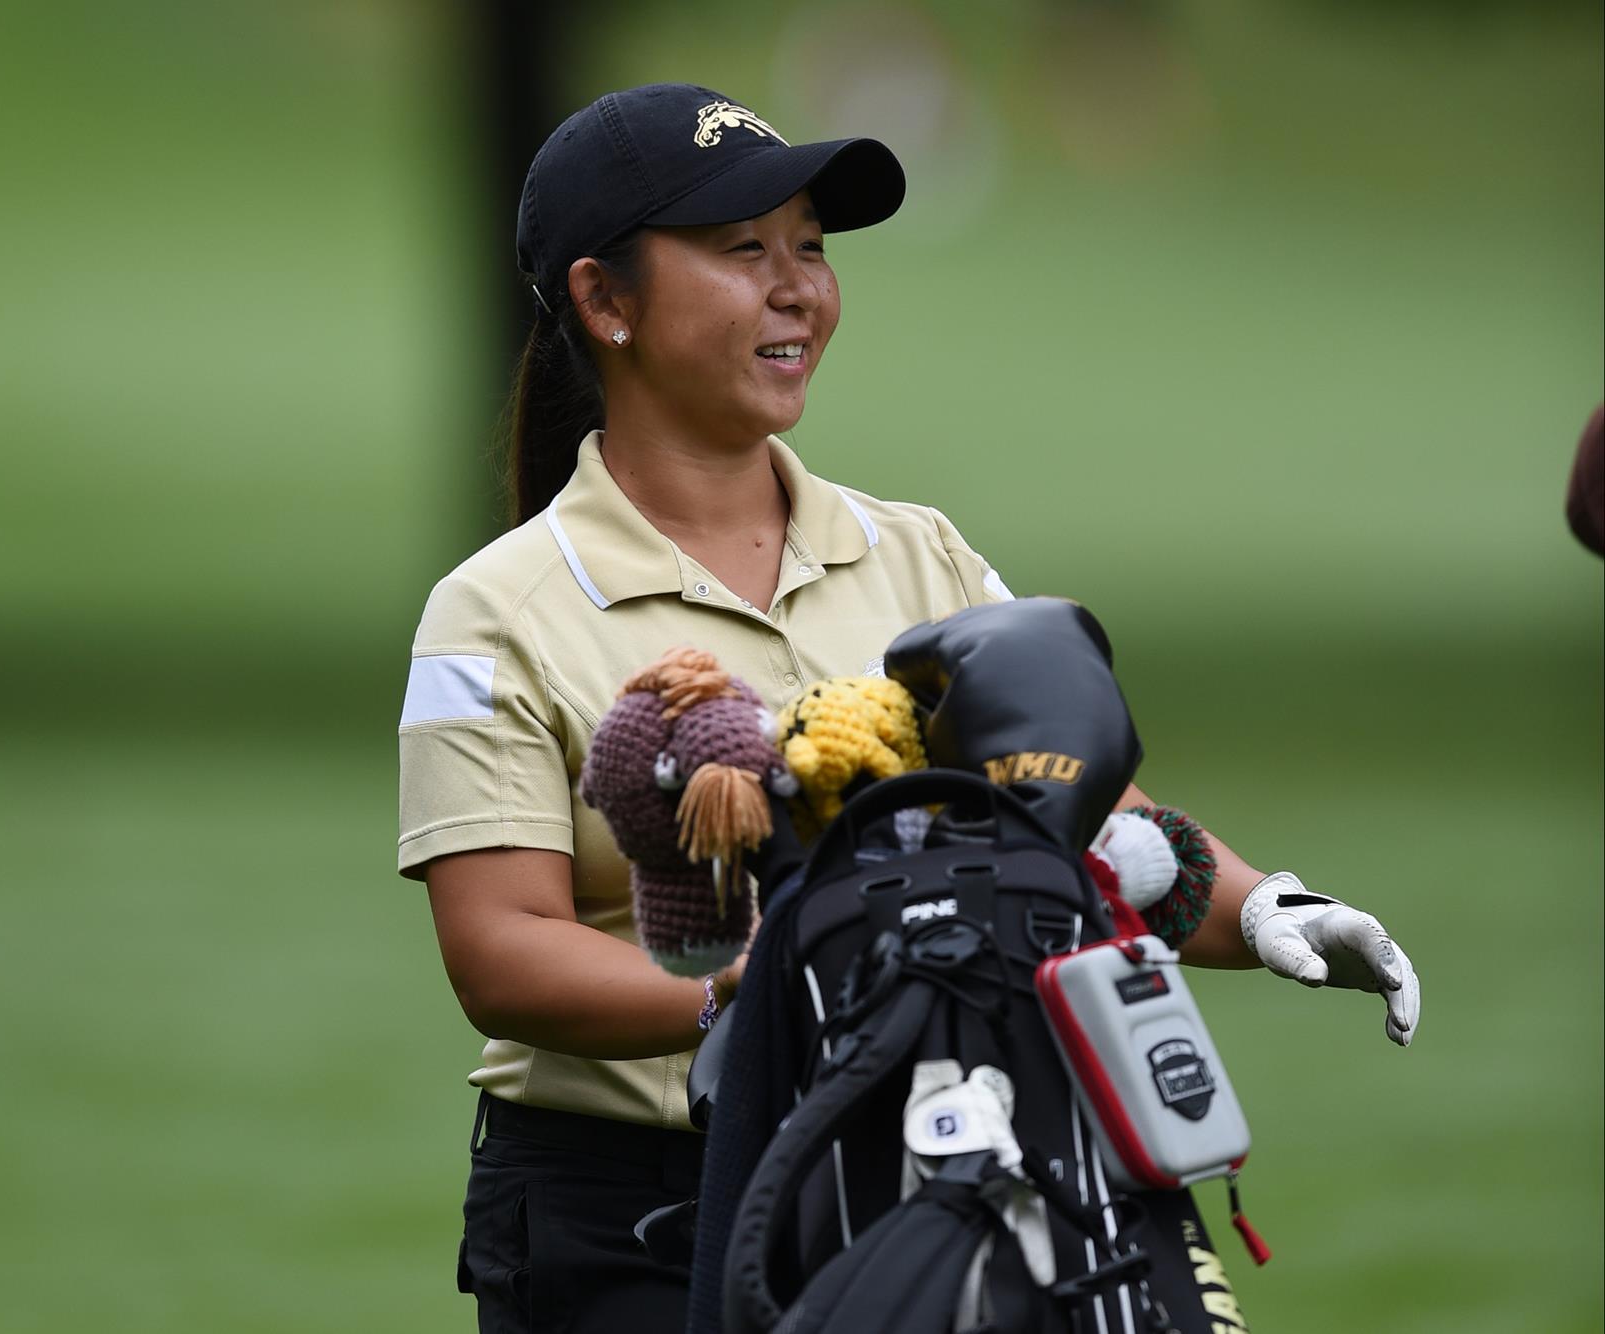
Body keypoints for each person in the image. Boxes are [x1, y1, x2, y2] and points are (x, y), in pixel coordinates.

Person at [397, 82, 1420, 1334]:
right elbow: (500, 950)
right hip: (628, 1213)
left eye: (810, 250)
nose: (798, 290)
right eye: (741, 252)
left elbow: (1081, 810)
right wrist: (747, 995)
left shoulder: (918, 554)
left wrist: (1263, 904)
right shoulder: (493, 607)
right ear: (604, 301)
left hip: (921, 1169)